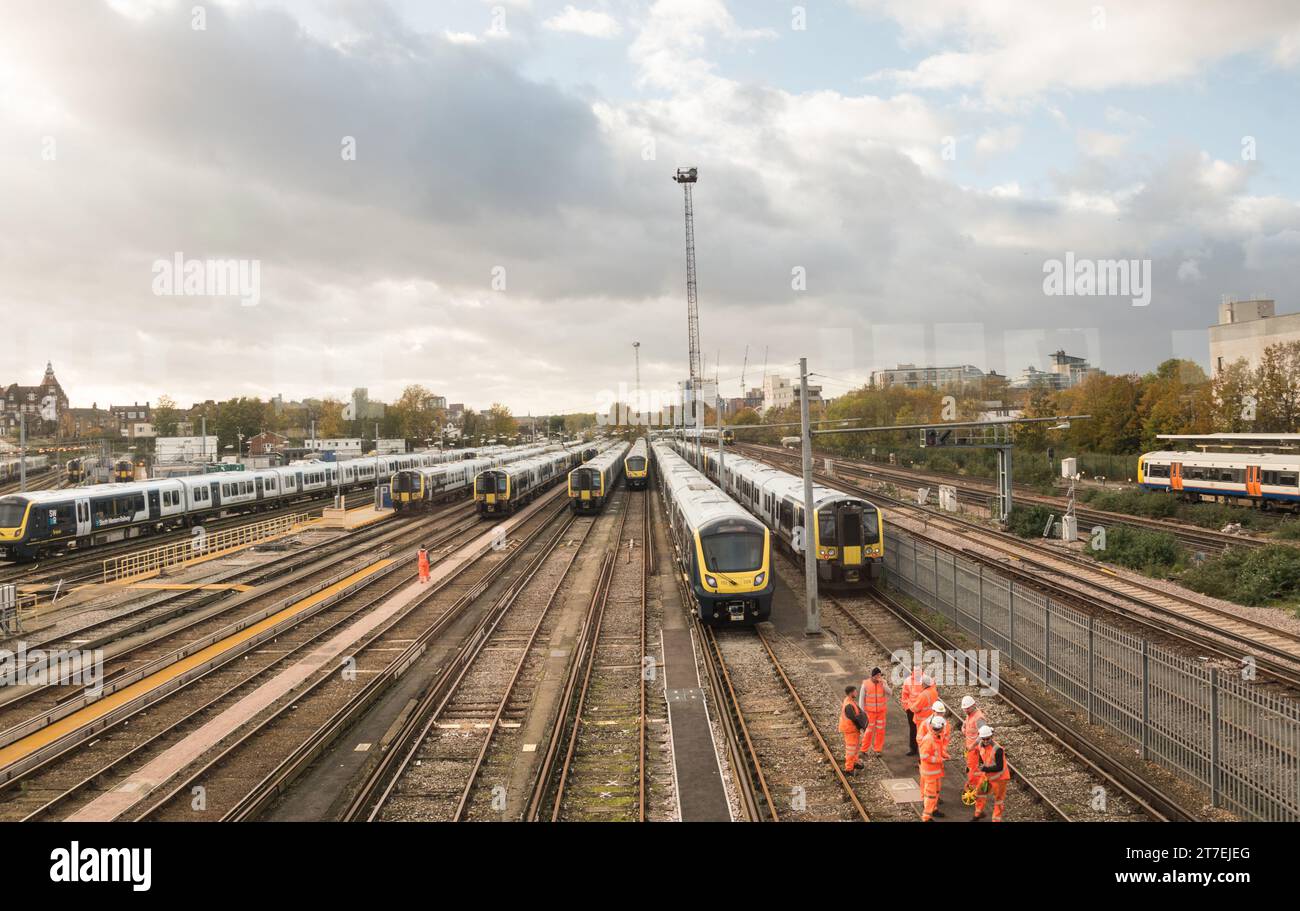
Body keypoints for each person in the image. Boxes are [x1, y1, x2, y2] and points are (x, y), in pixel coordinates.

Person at [973, 724, 1010, 822]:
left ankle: (996, 820)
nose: (985, 741)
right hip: (987, 776)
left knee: (998, 800)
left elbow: (999, 767)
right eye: (983, 739)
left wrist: (985, 768)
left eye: (987, 739)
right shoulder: (981, 745)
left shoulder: (997, 750)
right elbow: (982, 758)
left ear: (991, 737)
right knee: (979, 793)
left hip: (1000, 779)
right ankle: (978, 814)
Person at [918, 714, 950, 821]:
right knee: (930, 796)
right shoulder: (929, 739)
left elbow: (938, 751)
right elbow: (924, 756)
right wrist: (940, 759)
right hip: (930, 773)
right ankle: (926, 817)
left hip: (935, 772)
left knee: (935, 793)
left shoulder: (936, 737)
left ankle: (933, 810)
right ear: (940, 728)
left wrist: (944, 755)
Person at [857, 667, 890, 756]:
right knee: (868, 731)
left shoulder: (883, 683)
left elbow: (890, 692)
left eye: (880, 675)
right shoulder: (865, 684)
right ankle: (863, 749)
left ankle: (877, 750)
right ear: (873, 676)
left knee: (880, 731)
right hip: (870, 713)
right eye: (877, 675)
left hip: (881, 712)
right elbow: (861, 699)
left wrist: (883, 684)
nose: (879, 677)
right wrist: (861, 711)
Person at [838, 685, 867, 774]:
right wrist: (861, 727)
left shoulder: (849, 701)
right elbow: (854, 718)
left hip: (852, 730)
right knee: (851, 749)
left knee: (855, 748)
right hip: (850, 730)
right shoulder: (849, 705)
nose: (856, 693)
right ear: (851, 693)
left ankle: (854, 762)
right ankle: (849, 768)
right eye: (855, 691)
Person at [960, 695, 988, 788]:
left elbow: (983, 735)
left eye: (967, 708)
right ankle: (977, 782)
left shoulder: (978, 718)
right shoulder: (970, 714)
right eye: (964, 709)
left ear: (973, 705)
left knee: (972, 768)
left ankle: (975, 785)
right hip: (971, 746)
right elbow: (968, 722)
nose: (965, 710)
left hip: (975, 747)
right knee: (971, 767)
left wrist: (972, 746)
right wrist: (964, 727)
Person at [899, 666, 924, 755]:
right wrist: (907, 707)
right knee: (913, 729)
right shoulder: (908, 681)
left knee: (922, 730)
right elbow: (904, 695)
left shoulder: (925, 681)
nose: (917, 673)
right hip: (911, 710)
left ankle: (923, 750)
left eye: (919, 672)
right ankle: (913, 749)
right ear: (913, 672)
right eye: (916, 671)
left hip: (922, 710)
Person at [909, 675, 939, 743]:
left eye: (922, 683)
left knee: (922, 740)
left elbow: (915, 709)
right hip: (931, 719)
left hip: (922, 721)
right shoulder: (934, 691)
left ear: (924, 684)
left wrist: (910, 705)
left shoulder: (923, 695)